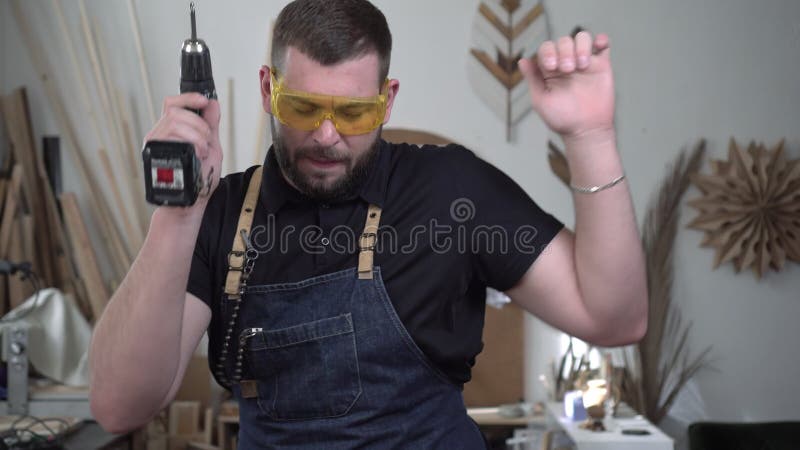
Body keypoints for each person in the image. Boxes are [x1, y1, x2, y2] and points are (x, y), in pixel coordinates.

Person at [89, 0, 647, 447]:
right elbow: (118, 406)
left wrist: (589, 138)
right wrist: (178, 211)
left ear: (387, 101)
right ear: (268, 90)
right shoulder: (223, 213)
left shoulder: (453, 195)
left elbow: (614, 319)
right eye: (305, 108)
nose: (327, 136)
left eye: (354, 113)